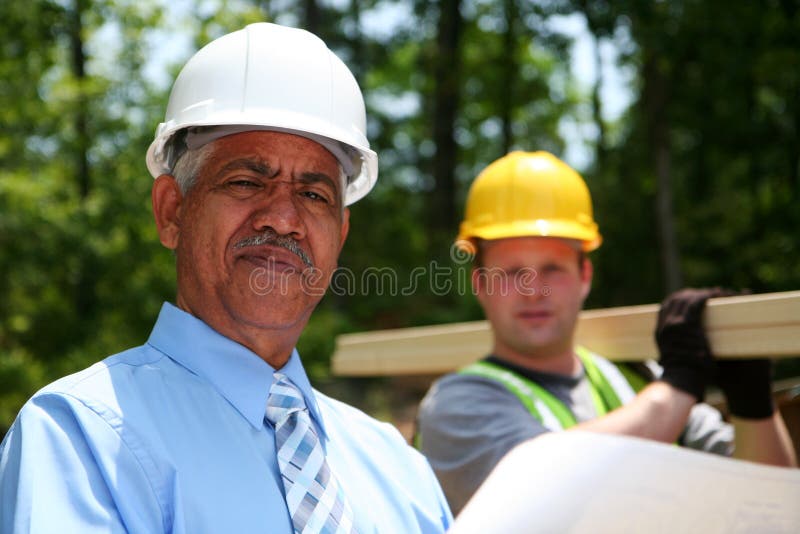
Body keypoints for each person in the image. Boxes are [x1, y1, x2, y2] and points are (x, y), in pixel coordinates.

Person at [0, 23, 451, 533]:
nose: (282, 219)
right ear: (172, 211)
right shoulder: (81, 439)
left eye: (314, 195)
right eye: (245, 182)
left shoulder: (401, 472)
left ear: (340, 236)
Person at [416, 150, 797, 514]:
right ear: (480, 284)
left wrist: (753, 404)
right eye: (512, 273)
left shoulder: (639, 377)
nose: (533, 290)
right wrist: (679, 387)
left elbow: (769, 508)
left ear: (584, 275)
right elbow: (540, 491)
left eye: (552, 269)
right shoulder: (455, 407)